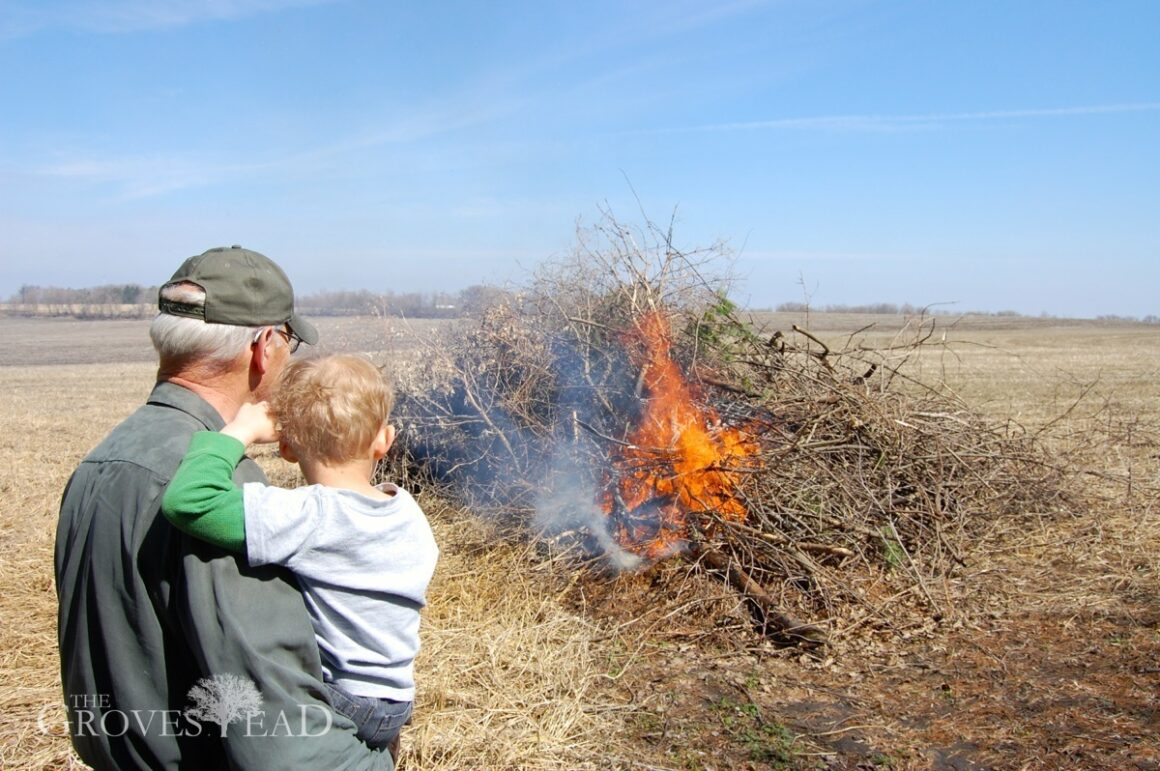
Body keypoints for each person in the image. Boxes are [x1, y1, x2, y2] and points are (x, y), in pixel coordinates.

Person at [55, 246, 397, 770]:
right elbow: (282, 741)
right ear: (263, 347)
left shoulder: (101, 462)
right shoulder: (217, 492)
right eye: (291, 342)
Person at [161, 354, 438, 761]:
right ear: (385, 440)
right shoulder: (405, 511)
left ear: (287, 448)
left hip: (341, 698)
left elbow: (189, 501)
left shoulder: (309, 516)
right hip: (395, 700)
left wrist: (241, 430)